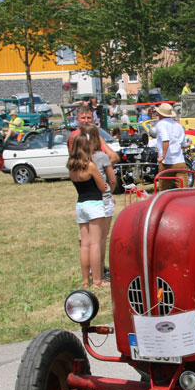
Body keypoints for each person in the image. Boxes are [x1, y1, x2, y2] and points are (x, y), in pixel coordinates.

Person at [67, 124, 109, 289]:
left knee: (84, 244)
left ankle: (85, 280)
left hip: (81, 205)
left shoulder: (71, 168)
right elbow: (102, 186)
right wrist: (105, 186)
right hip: (94, 204)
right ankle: (97, 280)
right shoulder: (90, 166)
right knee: (95, 243)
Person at [91, 130, 117, 281]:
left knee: (87, 242)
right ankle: (98, 274)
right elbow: (110, 182)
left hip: (83, 202)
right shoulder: (101, 157)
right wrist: (109, 191)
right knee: (99, 240)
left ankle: (89, 275)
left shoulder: (78, 159)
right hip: (101, 200)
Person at [154, 102, 188, 191]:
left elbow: (166, 140)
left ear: (160, 114)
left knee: (163, 190)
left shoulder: (161, 124)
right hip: (179, 160)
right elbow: (183, 145)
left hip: (166, 162)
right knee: (184, 189)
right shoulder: (178, 125)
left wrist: (163, 156)